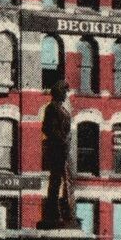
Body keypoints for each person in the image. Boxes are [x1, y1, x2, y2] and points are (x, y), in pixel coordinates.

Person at [40, 79, 74, 229]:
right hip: (56, 149)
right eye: (65, 91)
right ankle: (52, 213)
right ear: (59, 92)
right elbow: (47, 128)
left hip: (64, 149)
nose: (66, 94)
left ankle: (67, 211)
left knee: (66, 181)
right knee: (55, 182)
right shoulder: (51, 108)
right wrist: (61, 140)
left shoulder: (62, 108)